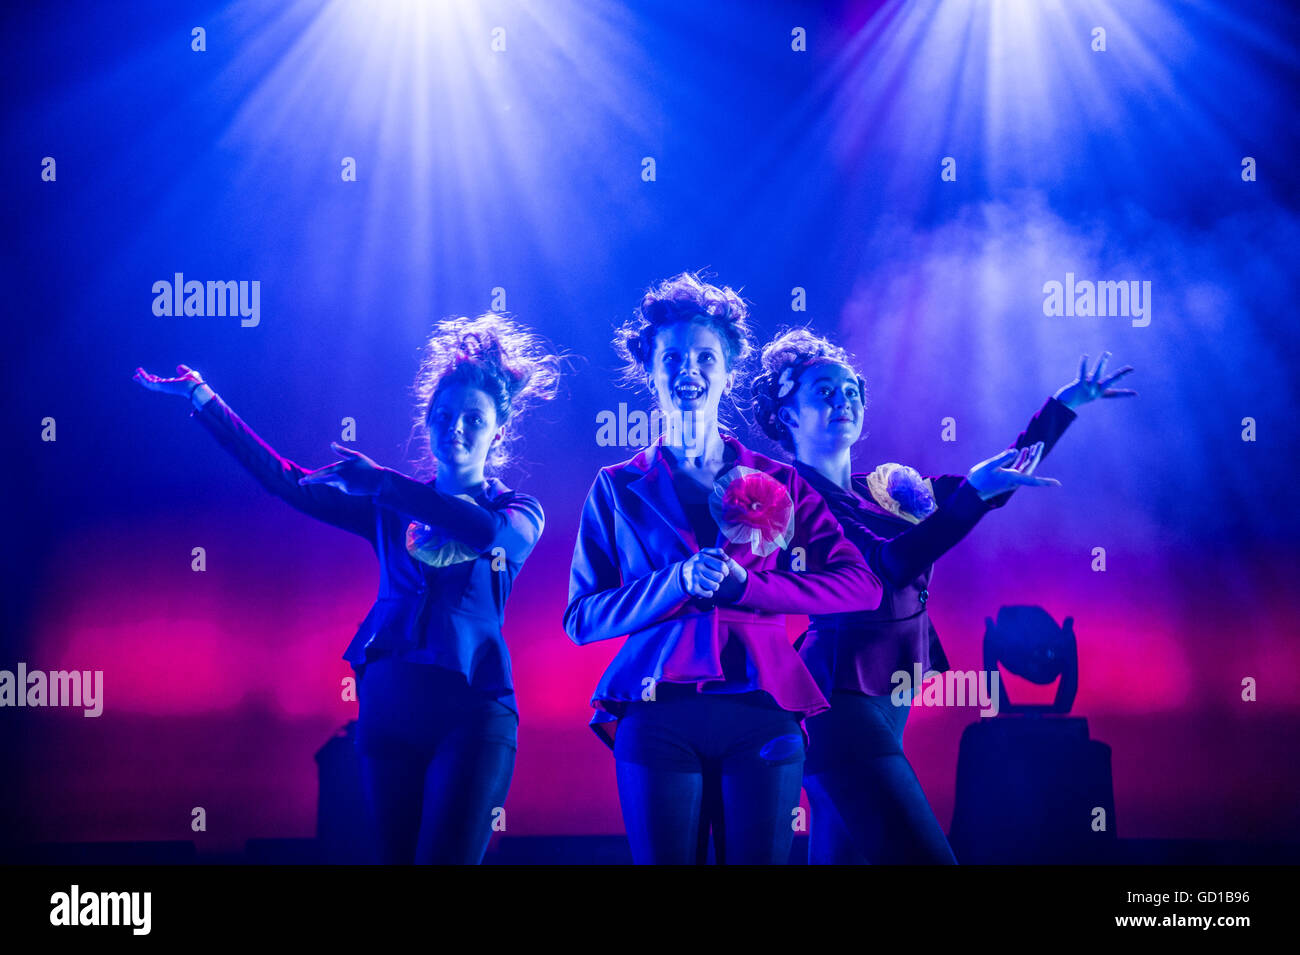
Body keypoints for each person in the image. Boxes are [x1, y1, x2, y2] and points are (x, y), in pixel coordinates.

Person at [133, 312, 559, 864]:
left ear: (497, 431)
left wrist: (384, 482)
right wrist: (202, 399)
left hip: (472, 715)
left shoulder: (517, 511)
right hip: (387, 708)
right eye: (444, 415)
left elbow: (487, 535)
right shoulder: (387, 505)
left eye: (473, 418)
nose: (456, 427)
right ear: (427, 422)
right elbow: (289, 482)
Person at [752, 328, 1136, 863]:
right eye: (824, 391)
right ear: (788, 416)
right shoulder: (795, 494)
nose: (845, 399)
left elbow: (996, 480)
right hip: (836, 698)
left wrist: (1063, 407)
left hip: (887, 692)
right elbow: (887, 566)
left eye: (852, 390)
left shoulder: (882, 488)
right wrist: (974, 495)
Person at [563, 273, 883, 864]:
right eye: (673, 357)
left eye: (706, 356)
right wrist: (676, 582)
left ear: (729, 368)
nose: (690, 369)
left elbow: (859, 585)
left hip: (761, 711)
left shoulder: (782, 479)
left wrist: (750, 585)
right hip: (655, 712)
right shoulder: (616, 487)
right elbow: (581, 619)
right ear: (651, 370)